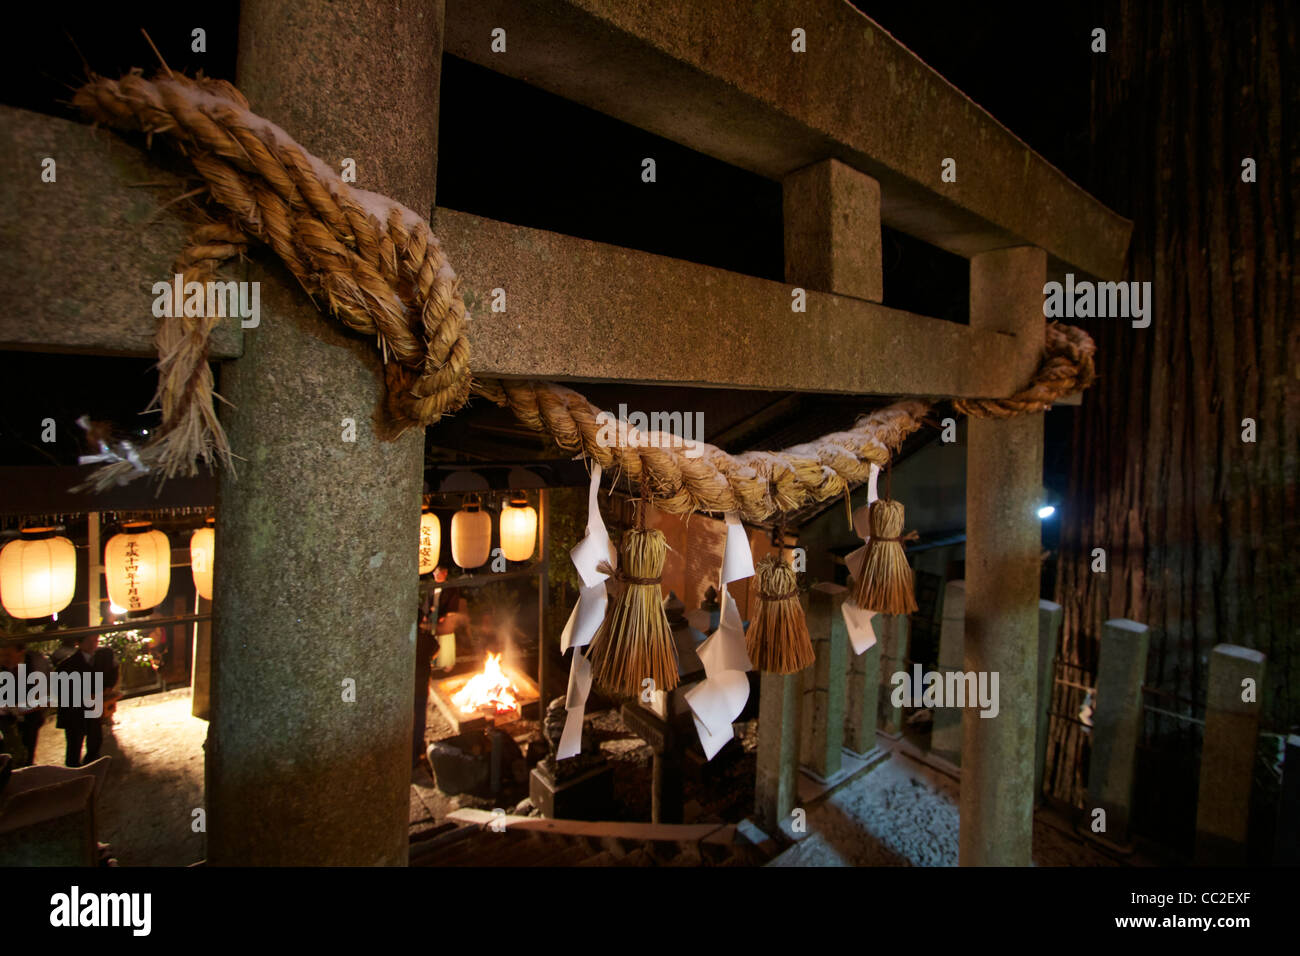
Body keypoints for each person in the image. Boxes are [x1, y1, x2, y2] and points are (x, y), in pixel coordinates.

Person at [55, 634, 118, 767]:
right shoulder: (67, 665)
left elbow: (113, 671)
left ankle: (92, 769)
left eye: (95, 640)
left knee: (95, 741)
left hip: (92, 708)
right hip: (74, 711)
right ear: (79, 643)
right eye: (89, 641)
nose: (93, 644)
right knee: (74, 746)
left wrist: (107, 688)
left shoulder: (103, 657)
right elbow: (61, 690)